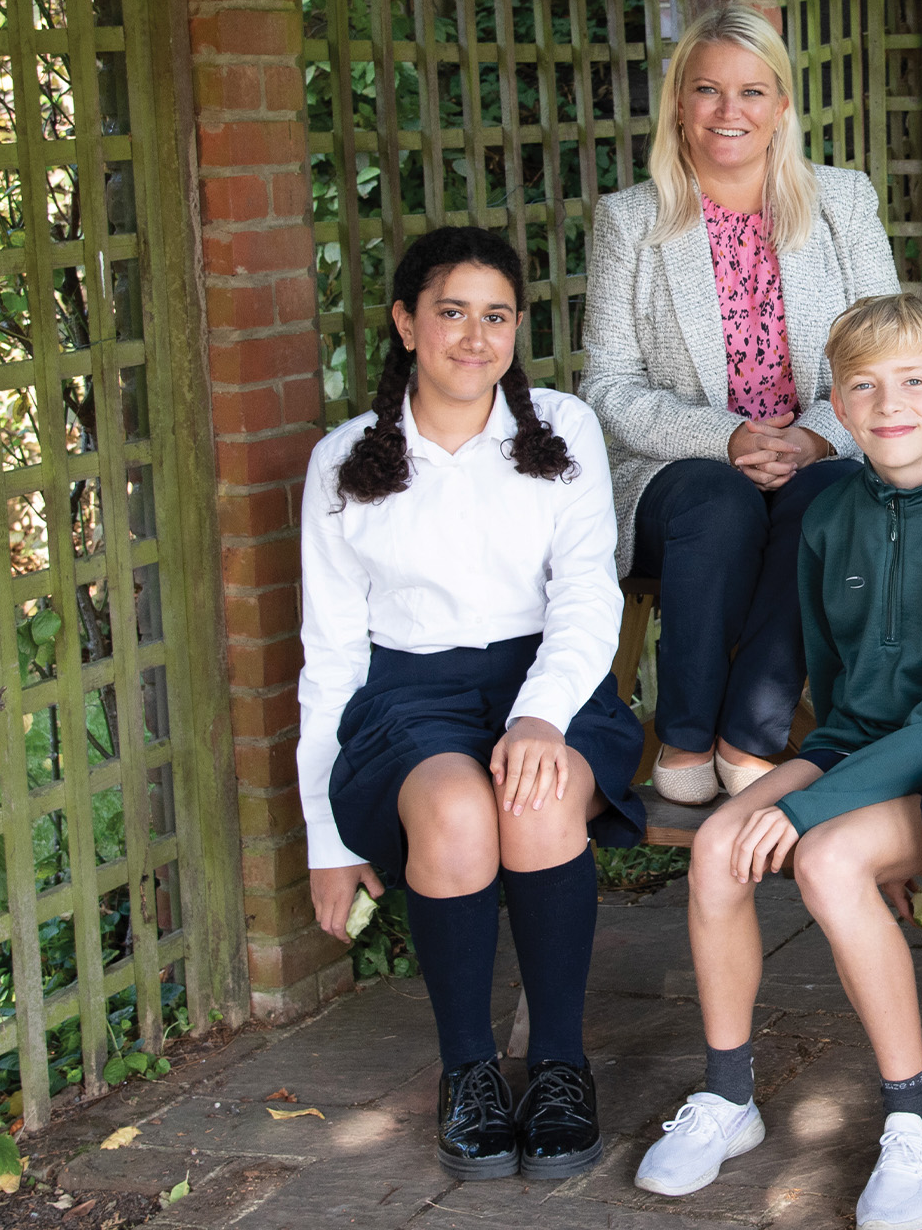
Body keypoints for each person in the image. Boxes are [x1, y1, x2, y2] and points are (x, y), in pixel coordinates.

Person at [633, 293, 922, 1230]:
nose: (889, 402)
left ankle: (920, 1126)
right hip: (855, 747)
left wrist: (821, 806)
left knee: (824, 858)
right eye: (863, 385)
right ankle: (729, 1098)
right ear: (838, 402)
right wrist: (811, 780)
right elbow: (833, 679)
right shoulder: (829, 518)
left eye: (913, 381)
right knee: (716, 847)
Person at [298, 226, 646, 1183]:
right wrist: (328, 840)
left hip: (552, 680)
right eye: (451, 313)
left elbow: (588, 597)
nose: (474, 336)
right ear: (408, 324)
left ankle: (562, 1067)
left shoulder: (564, 430)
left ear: (517, 329)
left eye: (496, 316)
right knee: (456, 812)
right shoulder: (343, 461)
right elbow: (330, 654)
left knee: (533, 799)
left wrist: (538, 714)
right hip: (409, 700)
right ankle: (468, 1073)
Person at [581, 2, 900, 804]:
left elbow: (887, 355)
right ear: (679, 105)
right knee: (722, 504)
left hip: (817, 455)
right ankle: (684, 737)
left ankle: (746, 736)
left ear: (782, 106)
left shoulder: (841, 203)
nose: (730, 112)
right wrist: (726, 439)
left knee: (825, 500)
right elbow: (609, 385)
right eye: (708, 91)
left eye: (753, 92)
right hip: (678, 469)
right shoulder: (630, 219)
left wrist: (814, 439)